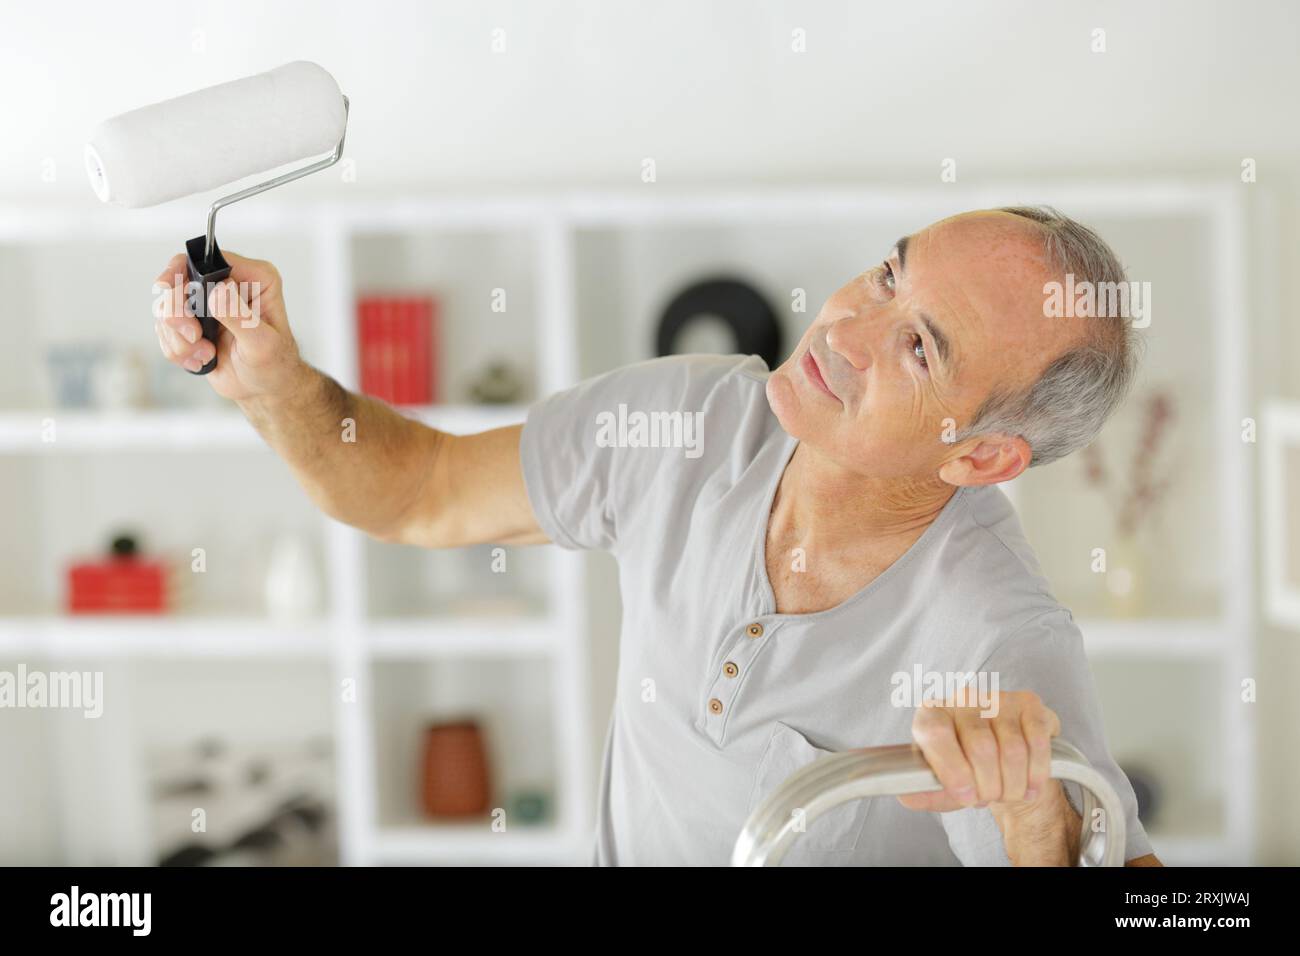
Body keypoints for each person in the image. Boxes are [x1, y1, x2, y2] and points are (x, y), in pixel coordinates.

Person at [153, 205, 1161, 866]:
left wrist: (1035, 816)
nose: (846, 327)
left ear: (978, 458)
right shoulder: (685, 422)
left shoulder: (994, 632)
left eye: (916, 346)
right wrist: (270, 379)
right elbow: (419, 489)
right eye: (888, 274)